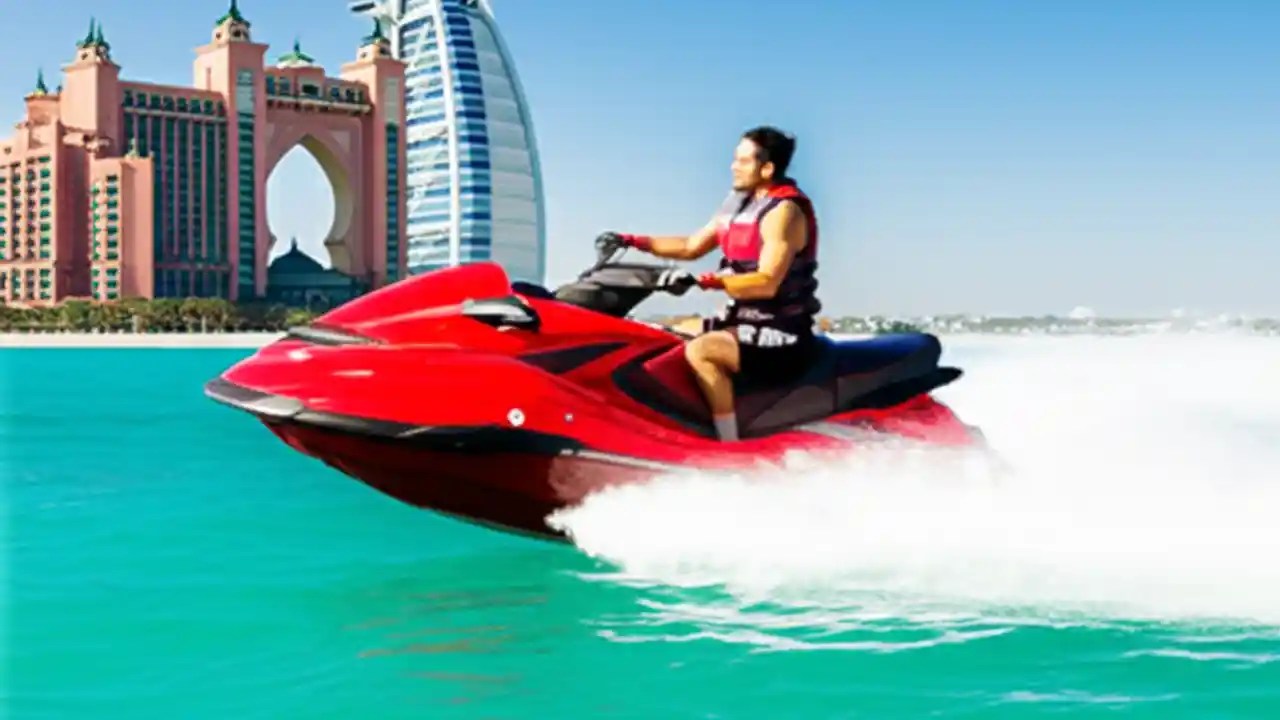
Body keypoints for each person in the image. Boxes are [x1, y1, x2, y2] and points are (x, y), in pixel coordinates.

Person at [599, 126, 821, 441]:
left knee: (702, 350)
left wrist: (710, 281)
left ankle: (727, 442)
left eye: (743, 161)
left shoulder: (783, 213)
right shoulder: (738, 206)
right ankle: (665, 423)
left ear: (767, 168)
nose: (734, 166)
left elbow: (767, 283)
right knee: (662, 335)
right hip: (742, 323)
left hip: (781, 333)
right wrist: (632, 241)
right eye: (735, 159)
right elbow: (690, 246)